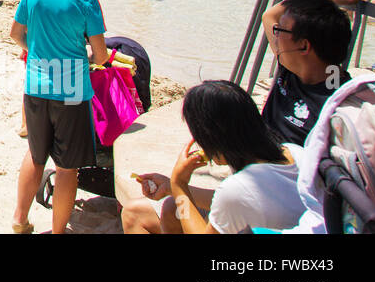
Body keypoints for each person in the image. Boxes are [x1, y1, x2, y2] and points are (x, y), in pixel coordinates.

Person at [11, 0, 109, 235]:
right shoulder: (87, 0)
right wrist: (89, 60)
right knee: (68, 168)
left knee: (35, 155)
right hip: (71, 94)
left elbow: (15, 34)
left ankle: (19, 219)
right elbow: (101, 54)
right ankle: (57, 231)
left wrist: (41, 49)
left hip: (36, 86)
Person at [123, 80, 304, 234]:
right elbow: (237, 201)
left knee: (138, 213)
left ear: (212, 138)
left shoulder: (238, 189)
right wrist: (170, 187)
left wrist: (179, 185)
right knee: (171, 207)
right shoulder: (294, 153)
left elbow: (235, 198)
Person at [259, 0, 358, 147]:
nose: (275, 35)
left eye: (280, 30)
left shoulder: (338, 102)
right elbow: (270, 15)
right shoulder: (292, 67)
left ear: (304, 46)